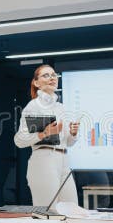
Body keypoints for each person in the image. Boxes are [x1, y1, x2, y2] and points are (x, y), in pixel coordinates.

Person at [14, 64, 80, 206]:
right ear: (36, 83)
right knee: (47, 211)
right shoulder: (33, 106)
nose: (52, 78)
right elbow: (19, 140)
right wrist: (44, 133)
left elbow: (67, 142)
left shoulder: (61, 108)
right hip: (44, 160)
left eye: (54, 75)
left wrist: (73, 133)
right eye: (46, 75)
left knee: (72, 208)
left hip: (63, 160)